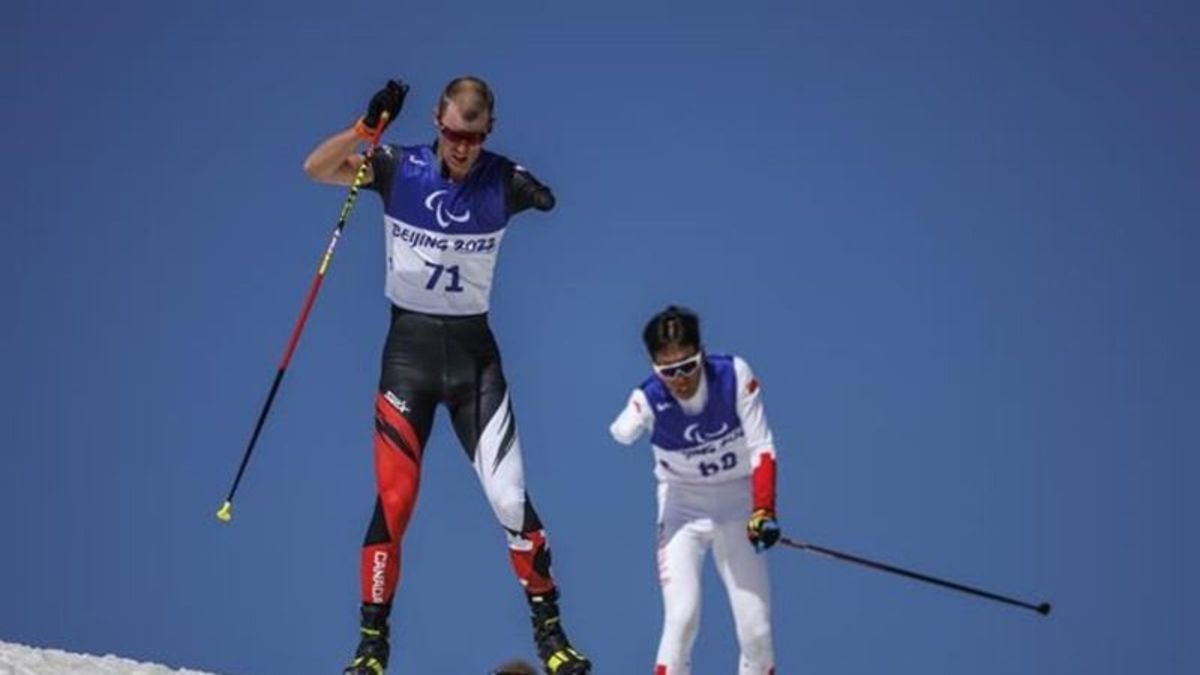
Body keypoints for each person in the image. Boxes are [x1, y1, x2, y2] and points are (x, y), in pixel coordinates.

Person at [303, 77, 590, 675]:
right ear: (437, 120)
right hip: (407, 357)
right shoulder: (395, 166)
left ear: (489, 132)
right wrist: (364, 127)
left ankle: (552, 638)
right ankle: (371, 647)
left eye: (474, 137)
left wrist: (532, 194)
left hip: (474, 362)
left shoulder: (501, 179)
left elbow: (545, 196)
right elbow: (316, 168)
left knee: (510, 498)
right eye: (454, 133)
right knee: (396, 499)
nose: (462, 147)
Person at [609, 306, 781, 675]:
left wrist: (764, 508)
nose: (681, 379)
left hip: (739, 508)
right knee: (682, 618)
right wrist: (635, 416)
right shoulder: (649, 399)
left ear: (701, 353)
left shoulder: (733, 375)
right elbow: (620, 432)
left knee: (756, 631)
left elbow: (761, 447)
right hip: (682, 511)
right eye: (668, 371)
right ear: (654, 368)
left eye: (688, 365)